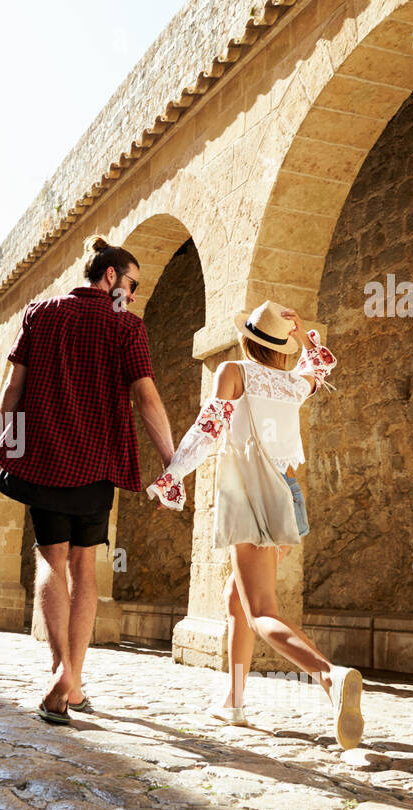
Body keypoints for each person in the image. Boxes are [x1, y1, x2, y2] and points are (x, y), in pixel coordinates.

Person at [146, 301, 364, 750]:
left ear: (246, 339)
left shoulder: (234, 372)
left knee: (262, 609)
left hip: (252, 497)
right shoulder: (294, 384)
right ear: (280, 347)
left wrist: (172, 476)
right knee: (236, 596)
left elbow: (207, 431)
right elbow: (318, 365)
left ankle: (330, 676)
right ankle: (234, 699)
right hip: (289, 496)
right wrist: (302, 334)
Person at [0, 237, 175, 725]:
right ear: (110, 277)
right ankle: (74, 683)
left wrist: (2, 444)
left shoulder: (40, 312)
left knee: (50, 559)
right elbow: (148, 400)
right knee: (85, 567)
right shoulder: (127, 328)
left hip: (45, 459)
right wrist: (171, 462)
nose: (134, 295)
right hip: (98, 464)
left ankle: (62, 671)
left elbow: (14, 389)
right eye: (132, 284)